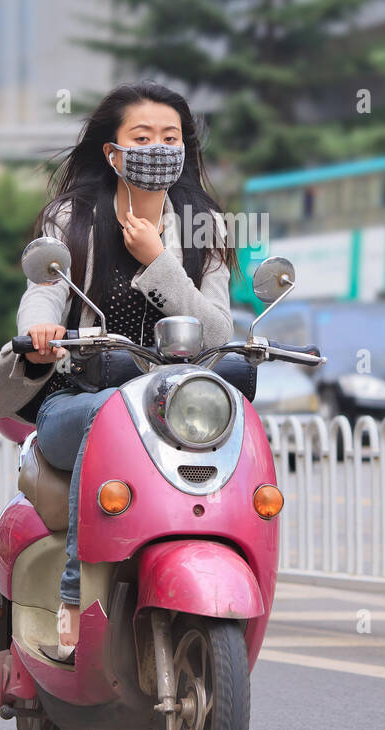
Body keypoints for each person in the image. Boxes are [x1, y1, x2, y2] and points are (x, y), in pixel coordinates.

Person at [17, 81, 236, 659]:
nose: (158, 148)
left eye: (170, 138)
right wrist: (42, 332)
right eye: (142, 137)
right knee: (107, 416)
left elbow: (217, 332)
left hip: (169, 405)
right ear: (113, 152)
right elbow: (43, 290)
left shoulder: (203, 225)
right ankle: (71, 597)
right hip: (80, 399)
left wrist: (159, 263)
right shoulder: (75, 217)